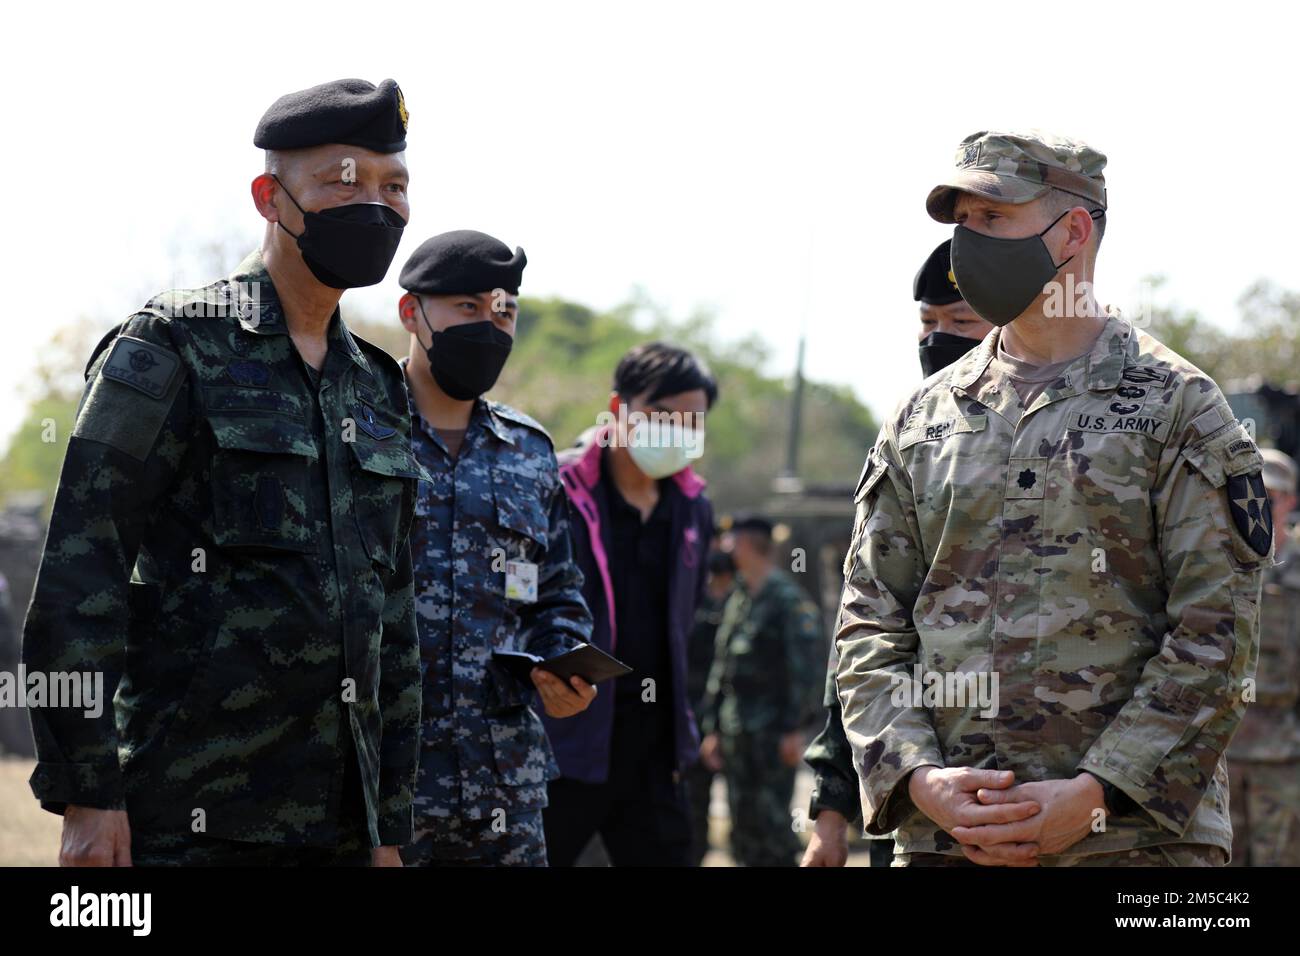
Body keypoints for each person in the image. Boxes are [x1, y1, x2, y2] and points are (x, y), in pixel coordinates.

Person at [837, 129, 1268, 867]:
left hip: (1135, 845)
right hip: (951, 842)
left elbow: (1216, 636)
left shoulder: (1178, 408)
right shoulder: (921, 420)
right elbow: (869, 626)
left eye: (994, 219)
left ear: (1073, 231)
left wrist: (1097, 794)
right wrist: (920, 779)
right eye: (961, 223)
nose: (968, 245)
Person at [22, 78, 424, 866]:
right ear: (271, 198)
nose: (375, 205)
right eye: (344, 182)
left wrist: (392, 828)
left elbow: (396, 627)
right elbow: (80, 574)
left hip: (343, 830)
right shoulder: (171, 346)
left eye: (395, 185)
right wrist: (89, 794)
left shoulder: (378, 387)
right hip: (186, 821)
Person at [394, 230, 595, 867]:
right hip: (381, 789)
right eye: (468, 308)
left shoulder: (530, 452)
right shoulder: (356, 425)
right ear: (412, 312)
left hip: (506, 785)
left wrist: (562, 661)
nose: (490, 325)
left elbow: (555, 591)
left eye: (504, 311)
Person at [802, 239, 992, 867]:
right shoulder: (909, 445)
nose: (940, 339)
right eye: (928, 324)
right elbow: (863, 642)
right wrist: (830, 813)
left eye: (960, 323)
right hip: (916, 790)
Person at [542, 343, 717, 866]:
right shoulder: (557, 487)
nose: (677, 430)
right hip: (565, 742)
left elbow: (686, 620)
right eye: (663, 415)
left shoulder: (693, 508)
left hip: (655, 748)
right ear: (619, 409)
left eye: (693, 420)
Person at [700, 514, 824, 867]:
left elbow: (807, 673)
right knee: (742, 830)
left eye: (731, 541)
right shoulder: (739, 597)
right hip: (736, 733)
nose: (724, 548)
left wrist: (793, 729)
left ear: (746, 545)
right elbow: (722, 666)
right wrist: (713, 728)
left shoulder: (787, 601)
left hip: (771, 736)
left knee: (772, 830)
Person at [1227, 447, 1300, 866]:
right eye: (1247, 495)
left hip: (1283, 755)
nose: (1256, 507)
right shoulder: (1220, 564)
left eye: (1267, 498)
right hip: (1222, 751)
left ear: (1289, 501)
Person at [686, 545, 736, 865]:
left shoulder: (741, 607)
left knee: (745, 812)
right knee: (693, 808)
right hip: (696, 718)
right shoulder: (694, 608)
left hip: (733, 721)